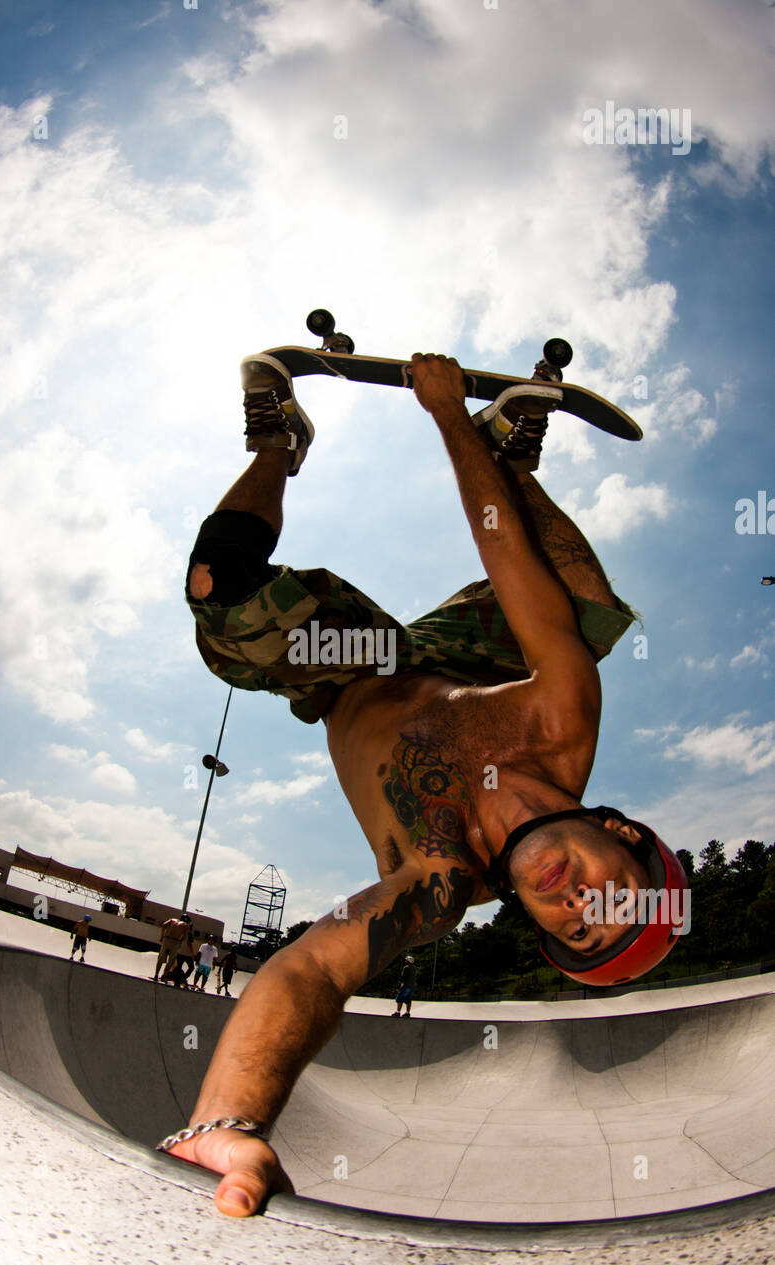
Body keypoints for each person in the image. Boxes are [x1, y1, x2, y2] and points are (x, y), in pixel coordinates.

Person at [160, 349, 688, 1216]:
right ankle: (509, 455)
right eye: (612, 898)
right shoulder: (561, 718)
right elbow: (505, 551)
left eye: (577, 932)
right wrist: (448, 417)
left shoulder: (436, 883)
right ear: (623, 835)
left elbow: (314, 972)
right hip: (461, 658)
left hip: (351, 664)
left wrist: (230, 1118)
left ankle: (278, 446)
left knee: (223, 601)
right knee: (583, 610)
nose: (576, 905)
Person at [154, 915, 187, 984]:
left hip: (166, 939)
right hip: (175, 941)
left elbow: (163, 925)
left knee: (161, 958)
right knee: (171, 960)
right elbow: (184, 936)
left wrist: (162, 936)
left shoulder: (172, 920)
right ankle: (164, 975)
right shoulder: (185, 925)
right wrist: (180, 942)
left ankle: (156, 975)